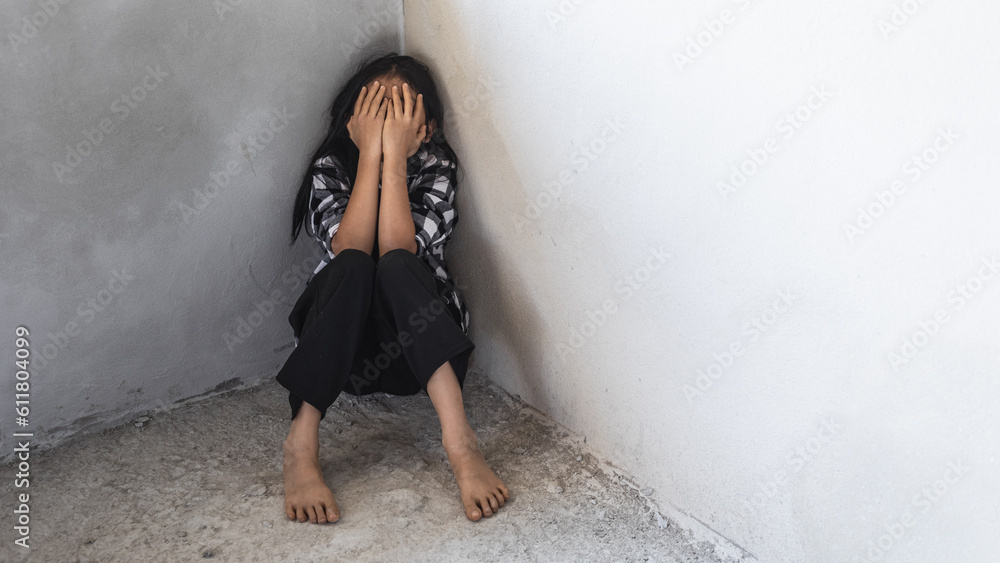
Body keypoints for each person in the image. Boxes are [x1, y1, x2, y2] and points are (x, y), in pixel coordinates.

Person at [277, 52, 509, 525]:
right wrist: (369, 156)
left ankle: (460, 443)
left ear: (426, 125)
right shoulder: (332, 166)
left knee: (398, 265)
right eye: (377, 109)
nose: (387, 122)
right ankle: (300, 445)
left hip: (418, 357)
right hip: (343, 358)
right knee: (354, 265)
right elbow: (350, 246)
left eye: (401, 110)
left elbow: (401, 246)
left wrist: (394, 163)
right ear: (352, 117)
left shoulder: (436, 166)